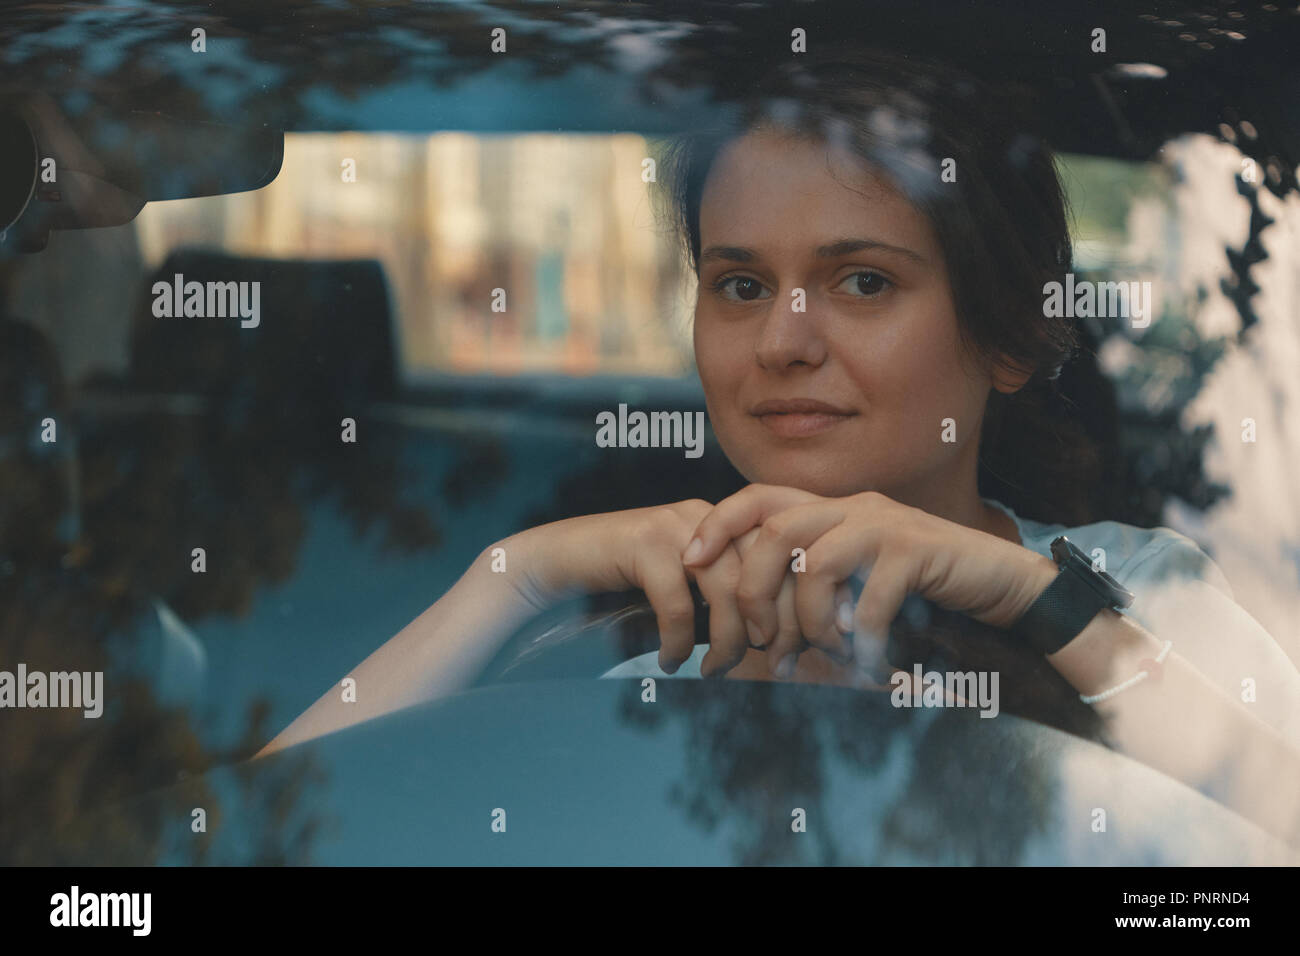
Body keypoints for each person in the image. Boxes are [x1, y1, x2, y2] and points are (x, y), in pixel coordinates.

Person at [257, 49, 1300, 847]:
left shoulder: (1140, 596)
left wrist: (1037, 601)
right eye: (740, 285)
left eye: (862, 282)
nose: (781, 342)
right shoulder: (638, 657)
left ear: (1004, 337)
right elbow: (241, 839)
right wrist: (511, 576)